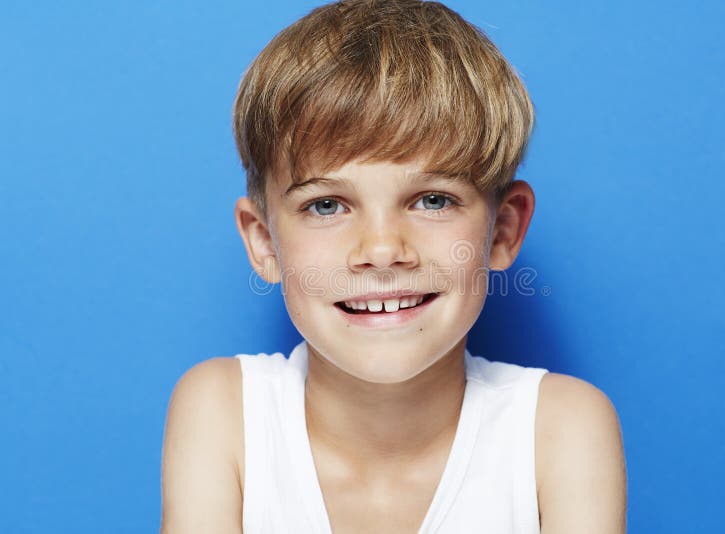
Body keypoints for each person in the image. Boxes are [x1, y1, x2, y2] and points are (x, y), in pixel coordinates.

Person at [160, 0, 627, 532]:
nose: (382, 250)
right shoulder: (224, 415)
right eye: (326, 205)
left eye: (433, 200)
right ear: (265, 243)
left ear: (502, 231)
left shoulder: (560, 430)